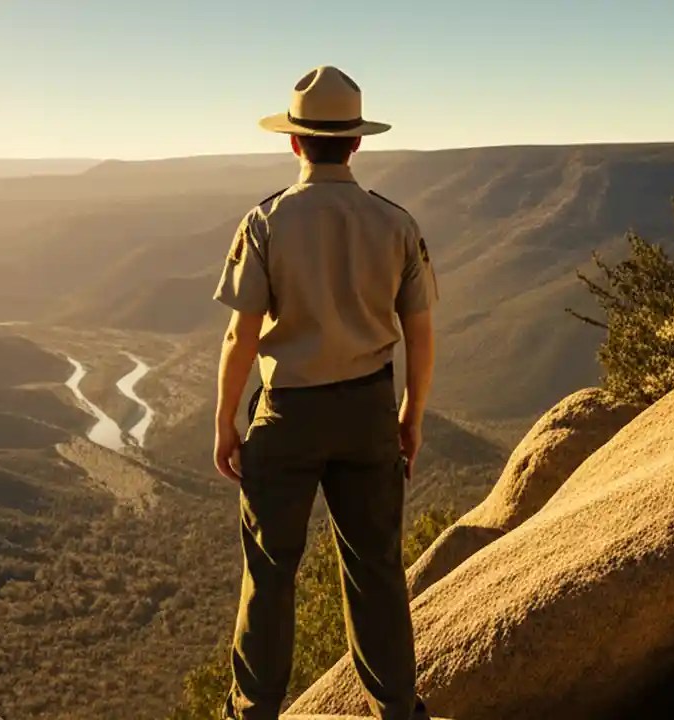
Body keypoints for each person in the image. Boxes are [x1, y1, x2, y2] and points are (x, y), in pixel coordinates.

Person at [211, 65, 437, 720]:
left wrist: (225, 421)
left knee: (270, 576)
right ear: (357, 142)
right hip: (368, 410)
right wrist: (410, 415)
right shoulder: (396, 224)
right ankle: (397, 710)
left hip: (286, 416)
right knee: (376, 575)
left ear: (294, 142)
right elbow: (420, 335)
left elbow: (239, 338)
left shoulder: (265, 223)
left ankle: (251, 715)